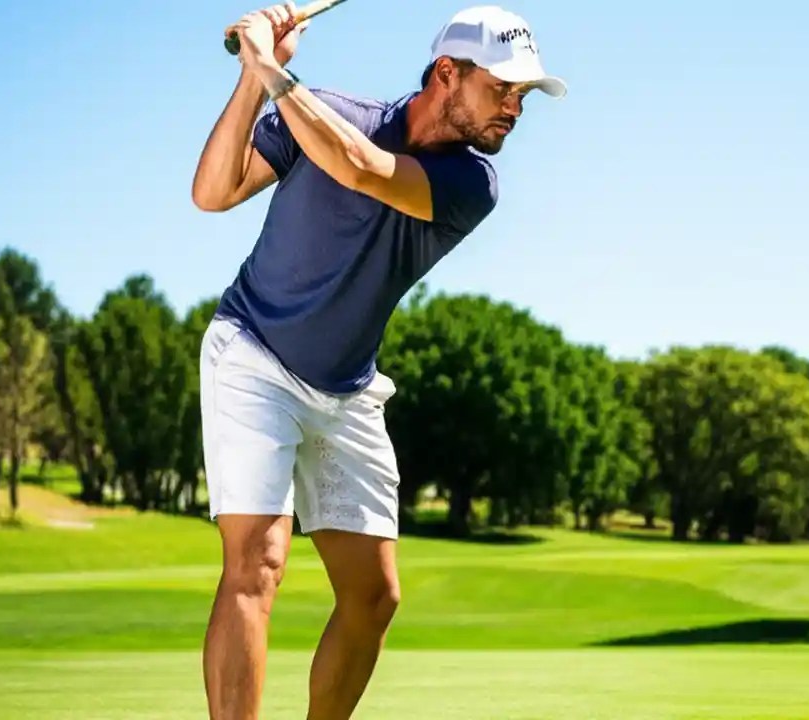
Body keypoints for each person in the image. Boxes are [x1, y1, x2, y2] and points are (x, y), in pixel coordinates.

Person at [189, 3, 566, 718]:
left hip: (347, 390)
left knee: (373, 597)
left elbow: (361, 168)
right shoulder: (327, 109)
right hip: (252, 352)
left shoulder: (473, 183)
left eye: (523, 95)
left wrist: (271, 67)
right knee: (258, 562)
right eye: (503, 88)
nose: (515, 108)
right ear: (447, 73)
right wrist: (253, 76)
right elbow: (213, 192)